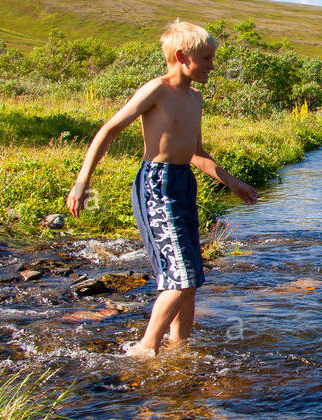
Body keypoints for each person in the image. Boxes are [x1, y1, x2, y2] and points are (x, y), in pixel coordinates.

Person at [65, 20, 259, 358]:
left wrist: (233, 182)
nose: (213, 66)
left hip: (184, 182)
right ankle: (145, 348)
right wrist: (83, 181)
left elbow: (197, 154)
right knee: (180, 274)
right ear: (183, 57)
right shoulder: (156, 90)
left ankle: (178, 348)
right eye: (207, 58)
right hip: (157, 183)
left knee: (192, 274)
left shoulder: (195, 99)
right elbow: (108, 130)